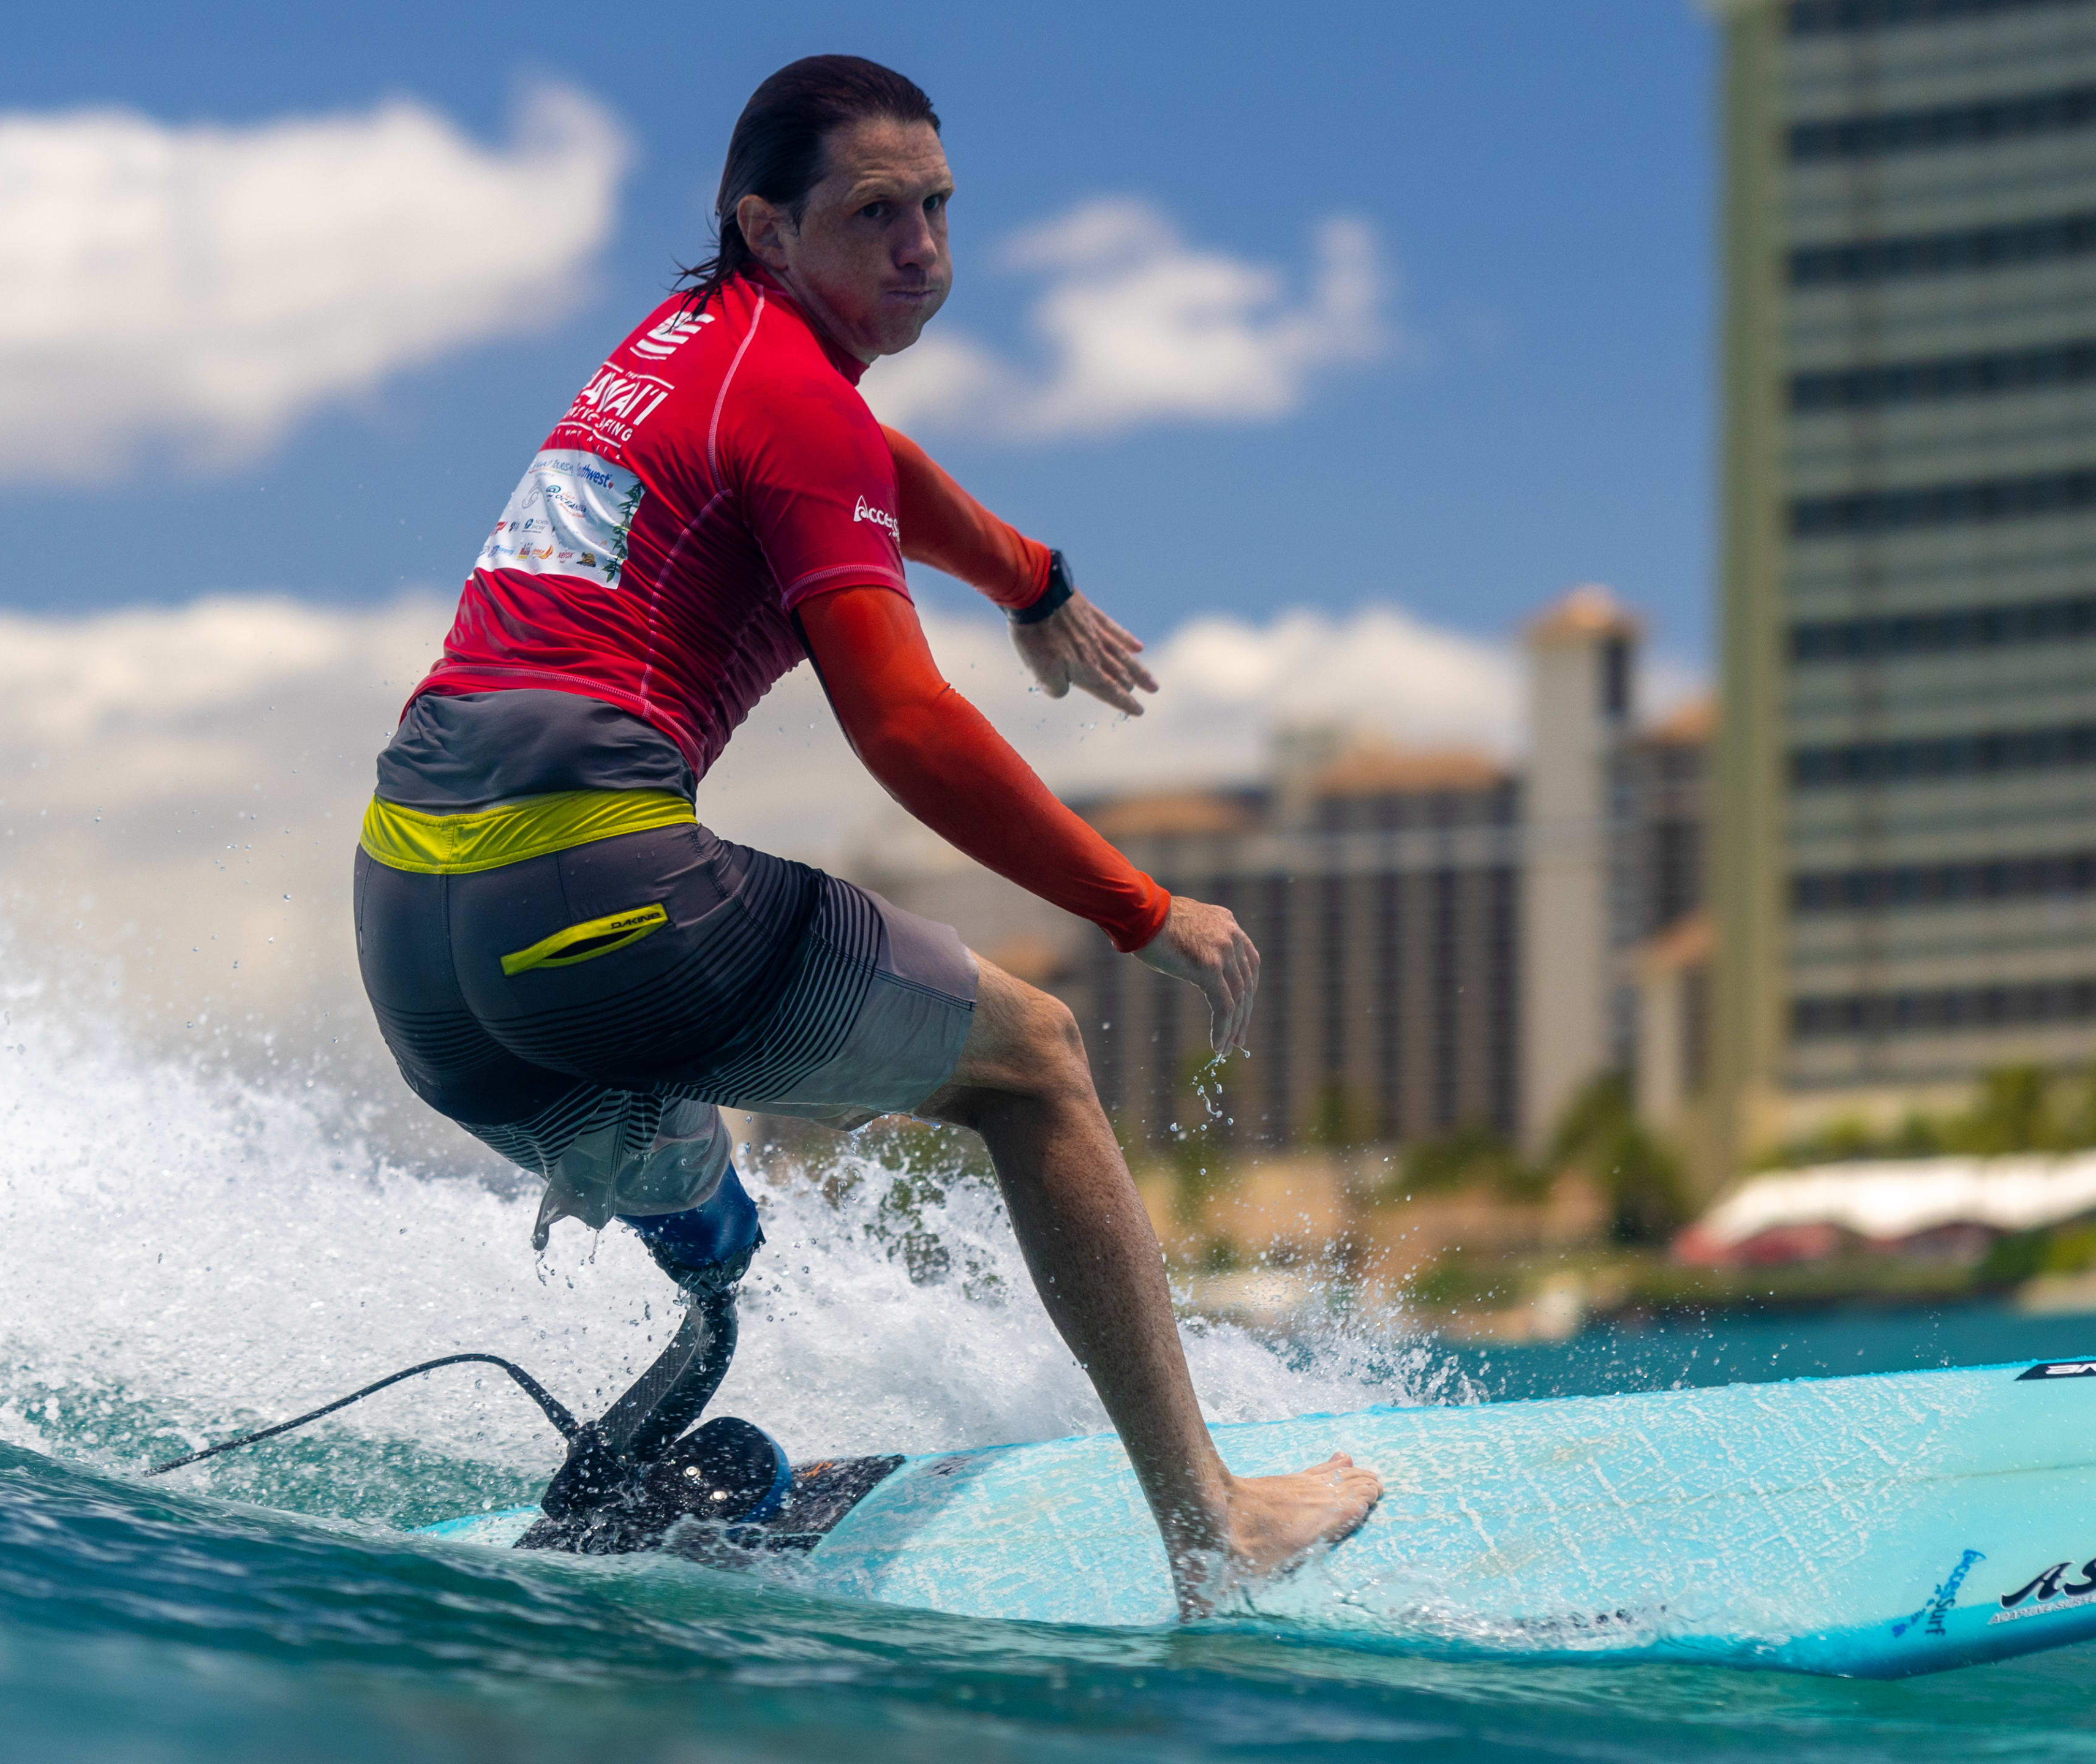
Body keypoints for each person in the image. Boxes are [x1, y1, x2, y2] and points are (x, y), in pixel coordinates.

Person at [353, 53, 1379, 1614]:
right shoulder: (792, 401)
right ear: (766, 227)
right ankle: (1213, 1521)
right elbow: (902, 725)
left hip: (417, 943)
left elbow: (870, 466)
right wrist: (1138, 908)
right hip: (593, 890)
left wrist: (1030, 578)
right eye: (875, 214)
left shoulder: (683, 351)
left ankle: (649, 1462)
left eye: (939, 208)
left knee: (693, 1190)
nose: (922, 249)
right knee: (1035, 1062)